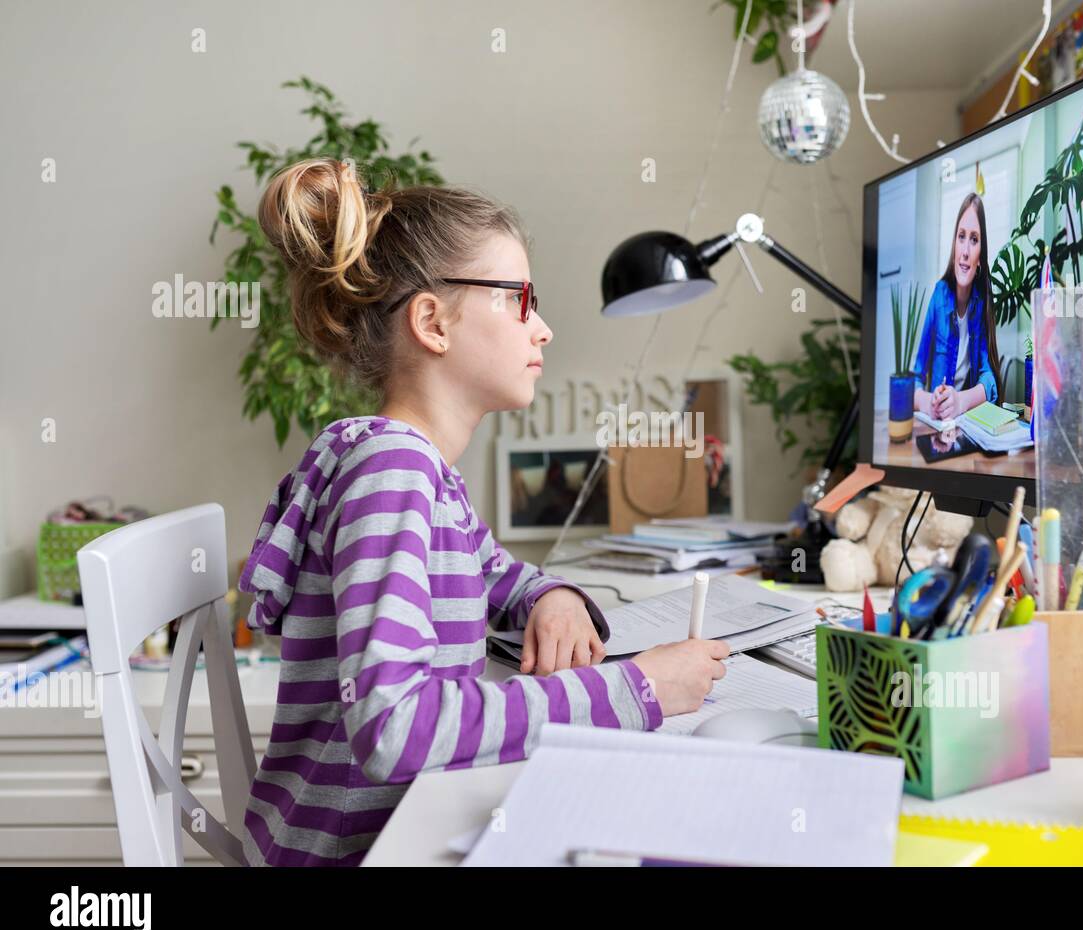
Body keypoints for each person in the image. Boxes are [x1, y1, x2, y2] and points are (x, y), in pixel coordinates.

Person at [239, 158, 728, 865]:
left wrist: (552, 596)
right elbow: (395, 728)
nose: (544, 330)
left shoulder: (417, 469)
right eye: (521, 299)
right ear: (433, 321)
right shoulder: (392, 474)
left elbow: (493, 572)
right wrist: (640, 687)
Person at [912, 192, 1002, 421]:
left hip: (966, 427)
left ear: (980, 256)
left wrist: (961, 401)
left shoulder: (981, 303)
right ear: (953, 246)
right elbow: (915, 378)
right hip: (938, 425)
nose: (965, 252)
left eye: (974, 239)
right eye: (961, 237)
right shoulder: (939, 296)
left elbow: (989, 379)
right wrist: (927, 403)